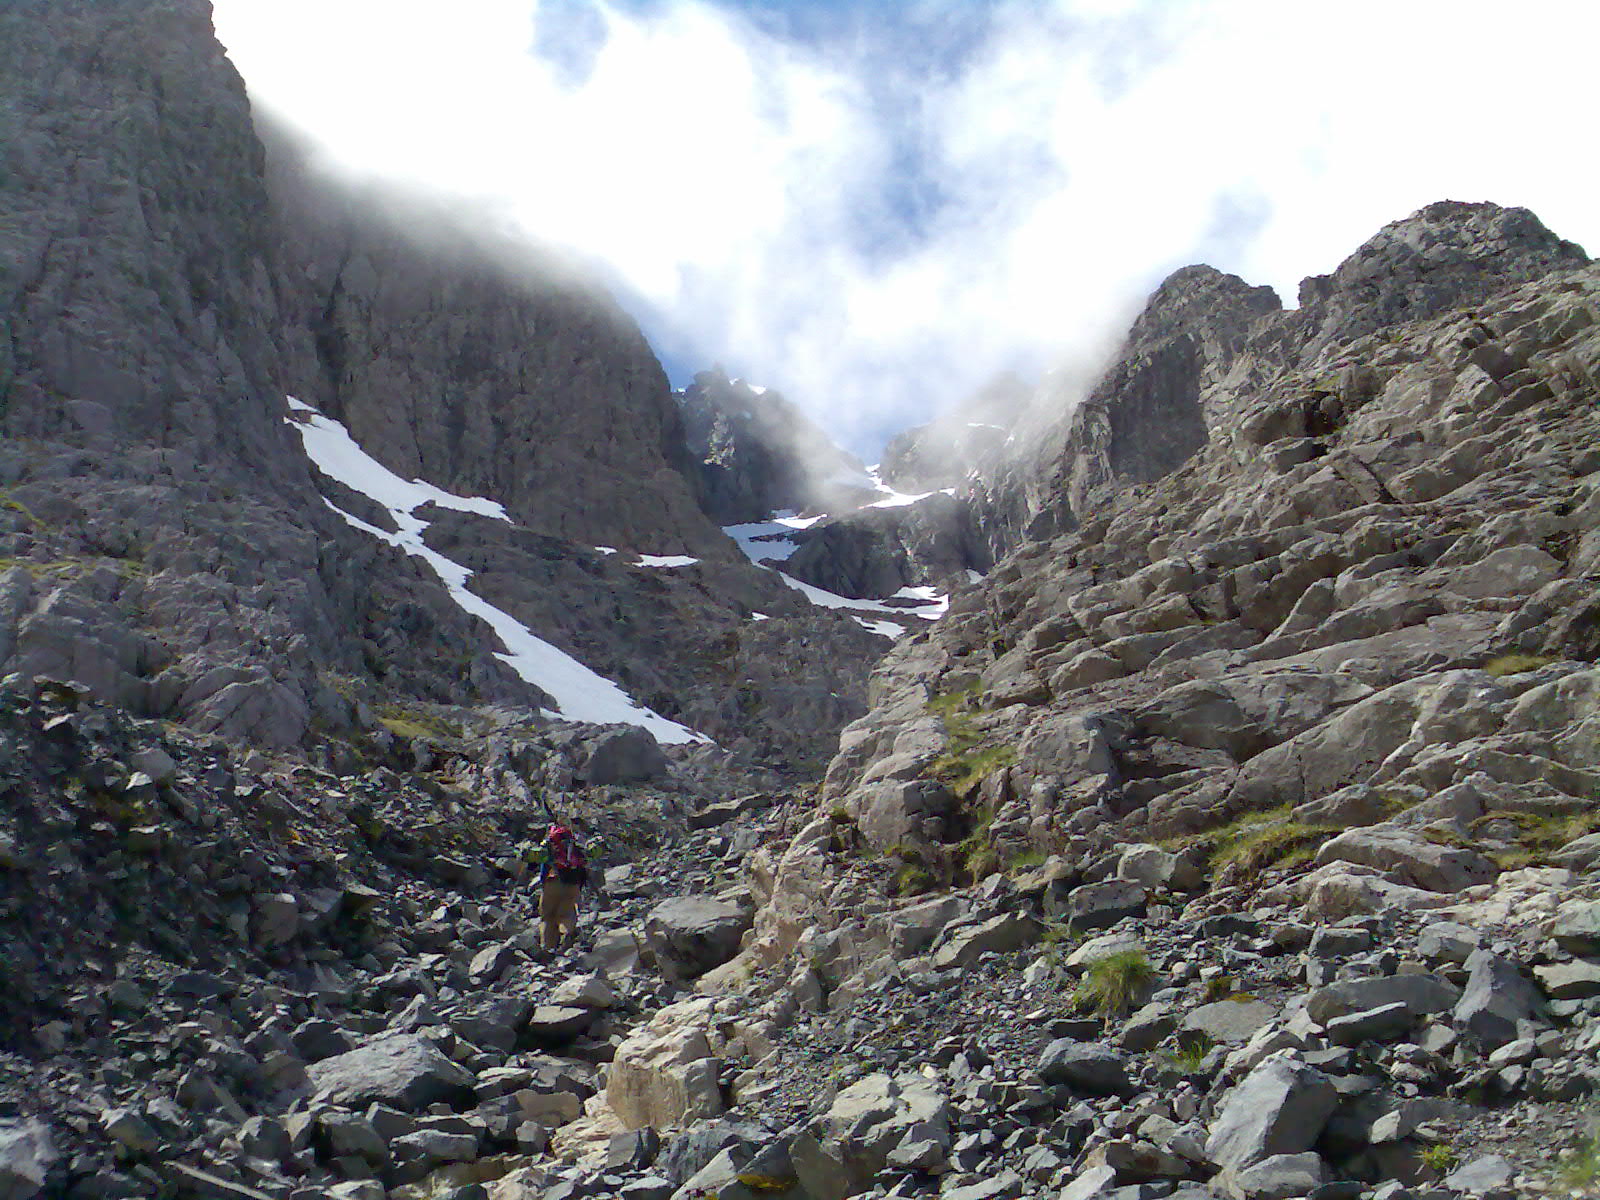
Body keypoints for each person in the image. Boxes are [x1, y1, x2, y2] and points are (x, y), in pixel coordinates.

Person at [538, 823, 588, 951]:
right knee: (566, 915)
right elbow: (583, 868)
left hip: (553, 881)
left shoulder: (551, 846)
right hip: (573, 884)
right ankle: (565, 936)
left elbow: (544, 868)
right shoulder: (575, 847)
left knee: (547, 917)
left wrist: (543, 883)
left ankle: (547, 948)